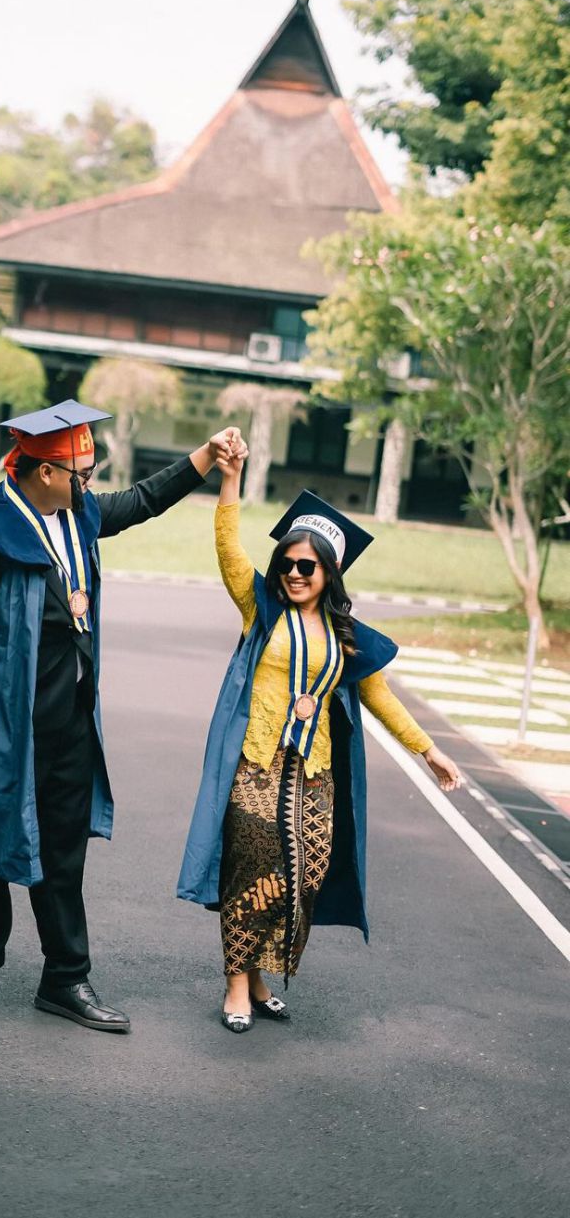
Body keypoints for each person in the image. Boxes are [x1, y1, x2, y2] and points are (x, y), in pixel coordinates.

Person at [0, 400, 236, 1032]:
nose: (90, 484)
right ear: (43, 472)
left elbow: (141, 501)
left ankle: (64, 978)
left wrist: (204, 458)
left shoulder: (76, 513)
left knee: (65, 852)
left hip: (67, 720)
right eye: (81, 474)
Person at [177, 433, 461, 1033]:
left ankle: (258, 977)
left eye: (308, 566)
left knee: (301, 873)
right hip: (256, 764)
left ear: (329, 572)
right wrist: (230, 479)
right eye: (288, 563)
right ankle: (235, 984)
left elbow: (380, 696)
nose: (295, 573)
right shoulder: (262, 608)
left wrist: (430, 751)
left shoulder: (344, 634)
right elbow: (229, 548)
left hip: (313, 776)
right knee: (251, 867)